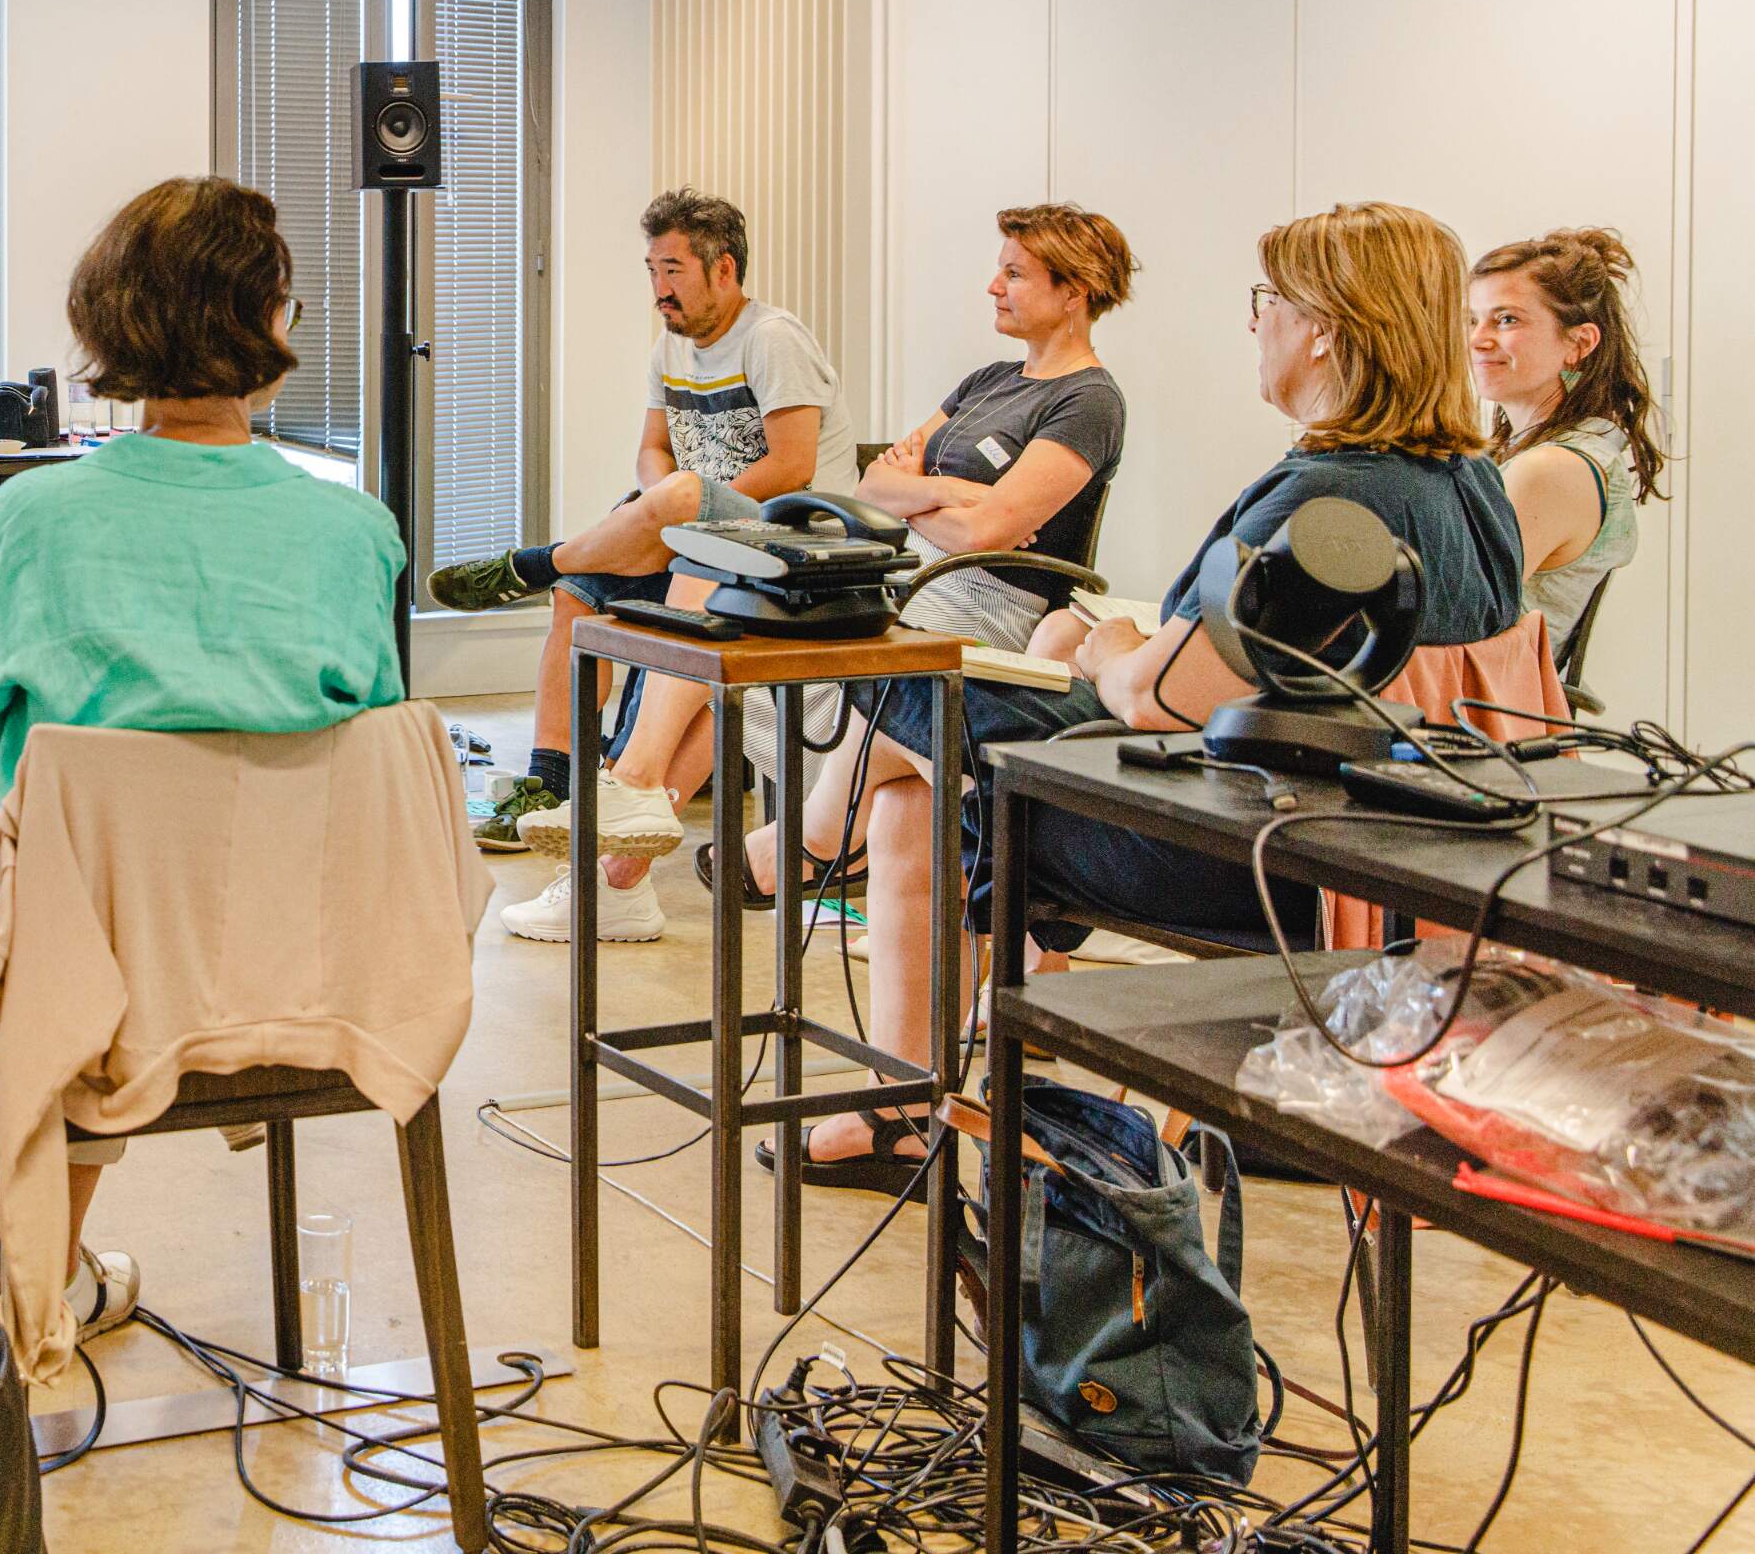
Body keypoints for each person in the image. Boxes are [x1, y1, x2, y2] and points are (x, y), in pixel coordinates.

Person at [784, 202, 1521, 1194]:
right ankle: (894, 1103)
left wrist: (1096, 642)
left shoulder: (1323, 502)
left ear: (1323, 330)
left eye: (1267, 302)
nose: (1252, 322)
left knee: (903, 685)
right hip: (1388, 845)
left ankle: (802, 877)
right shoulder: (1471, 485)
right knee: (915, 790)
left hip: (1244, 852)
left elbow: (1158, 699)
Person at [0, 175, 405, 1343]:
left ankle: (36, 1274)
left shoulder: (30, 522)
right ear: (275, 325)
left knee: (22, 857)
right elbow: (367, 760)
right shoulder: (355, 532)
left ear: (107, 324)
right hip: (305, 977)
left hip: (85, 986)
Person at [503, 206, 1136, 945]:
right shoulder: (987, 381)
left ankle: (625, 852)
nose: (992, 285)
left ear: (1075, 291)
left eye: (1014, 273)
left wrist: (934, 496)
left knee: (729, 641)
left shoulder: (1087, 400)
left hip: (984, 605)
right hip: (903, 583)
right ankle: (627, 838)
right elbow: (874, 482)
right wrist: (950, 495)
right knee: (724, 614)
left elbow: (988, 534)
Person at [425, 189, 856, 868]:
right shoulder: (669, 348)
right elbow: (651, 449)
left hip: (787, 541)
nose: (660, 289)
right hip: (697, 532)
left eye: (674, 270)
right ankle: (549, 784)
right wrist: (664, 508)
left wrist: (680, 508)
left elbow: (793, 465)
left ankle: (533, 562)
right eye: (652, 270)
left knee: (667, 500)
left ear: (724, 269)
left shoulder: (773, 339)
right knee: (578, 596)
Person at [1466, 227, 1666, 664]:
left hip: (1479, 717)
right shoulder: (1534, 451)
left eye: (1506, 319)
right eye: (1472, 319)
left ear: (1579, 344)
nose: (1478, 339)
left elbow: (1455, 617)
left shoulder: (1552, 468)